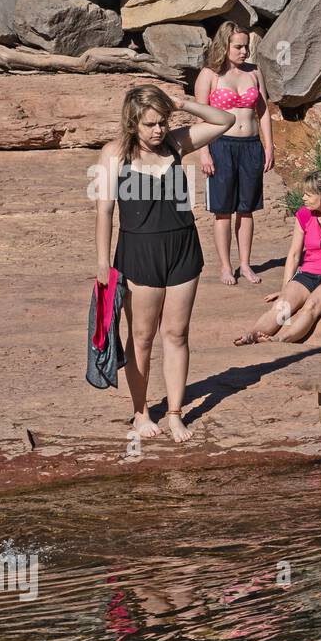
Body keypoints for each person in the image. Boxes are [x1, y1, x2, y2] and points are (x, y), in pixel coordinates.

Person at [94, 84, 235, 442]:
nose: (158, 130)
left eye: (162, 121)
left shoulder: (176, 142)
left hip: (182, 248)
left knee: (176, 334)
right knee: (140, 338)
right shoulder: (114, 155)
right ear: (132, 123)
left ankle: (174, 413)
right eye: (150, 124)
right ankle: (141, 412)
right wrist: (102, 262)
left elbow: (225, 119)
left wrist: (183, 103)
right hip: (138, 252)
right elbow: (105, 212)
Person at [234, 171, 321, 346]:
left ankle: (280, 339)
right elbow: (294, 254)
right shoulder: (305, 215)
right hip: (308, 273)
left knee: (312, 305)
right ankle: (252, 335)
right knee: (282, 305)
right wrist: (285, 289)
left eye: (308, 194)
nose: (303, 198)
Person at [194, 22, 274, 287]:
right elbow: (200, 116)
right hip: (221, 145)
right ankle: (226, 267)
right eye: (238, 47)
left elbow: (262, 112)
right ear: (224, 46)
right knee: (223, 211)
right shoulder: (209, 74)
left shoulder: (254, 72)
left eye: (246, 47)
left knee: (247, 209)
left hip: (250, 144)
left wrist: (268, 145)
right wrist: (204, 152)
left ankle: (246, 264)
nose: (244, 52)